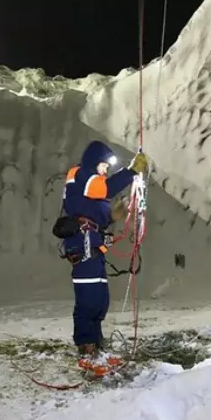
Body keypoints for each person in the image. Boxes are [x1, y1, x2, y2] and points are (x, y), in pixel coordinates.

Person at [56, 140, 148, 363]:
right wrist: (131, 171)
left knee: (100, 299)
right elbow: (104, 189)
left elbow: (98, 211)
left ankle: (96, 344)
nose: (105, 172)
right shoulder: (80, 175)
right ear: (94, 162)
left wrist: (113, 215)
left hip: (93, 243)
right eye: (104, 167)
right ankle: (85, 347)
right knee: (89, 297)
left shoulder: (93, 188)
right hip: (83, 243)